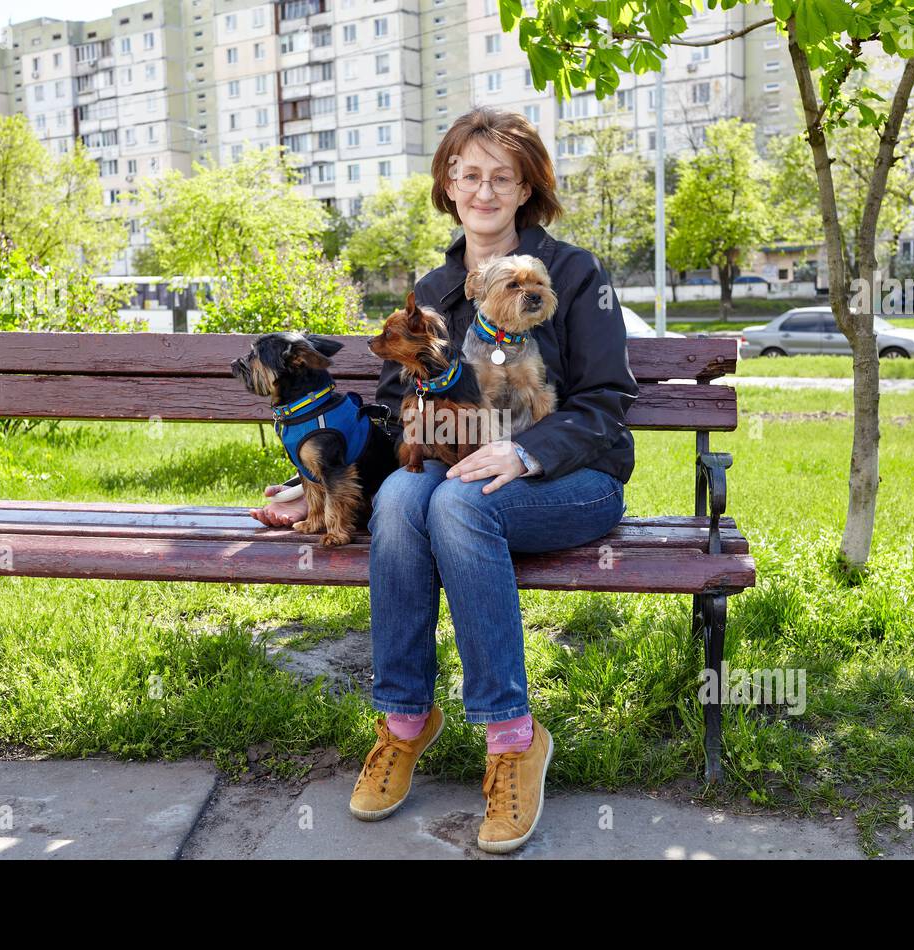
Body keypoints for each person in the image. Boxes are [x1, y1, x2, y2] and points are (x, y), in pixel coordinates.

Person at [251, 106, 638, 854]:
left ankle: (511, 738)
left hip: (573, 478)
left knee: (458, 506)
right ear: (449, 187)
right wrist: (325, 485)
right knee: (399, 499)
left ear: (527, 188)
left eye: (503, 176)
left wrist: (523, 453)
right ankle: (404, 719)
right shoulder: (433, 287)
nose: (485, 190)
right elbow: (397, 417)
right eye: (470, 176)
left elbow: (608, 403)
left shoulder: (573, 273)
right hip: (456, 473)